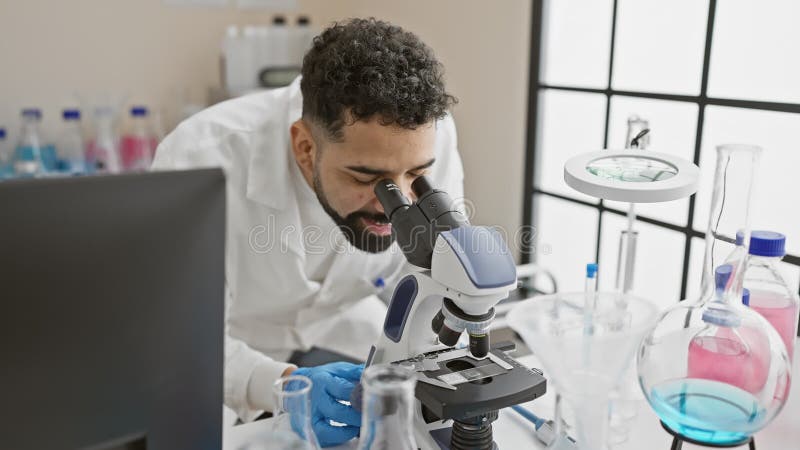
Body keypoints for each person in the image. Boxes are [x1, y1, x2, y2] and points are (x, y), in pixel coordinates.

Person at [153, 18, 463, 447]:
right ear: (305, 147)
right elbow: (176, 339)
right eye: (365, 177)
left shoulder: (432, 138)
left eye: (416, 175)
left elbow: (434, 278)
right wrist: (279, 383)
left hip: (341, 318)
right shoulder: (199, 161)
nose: (396, 203)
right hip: (229, 337)